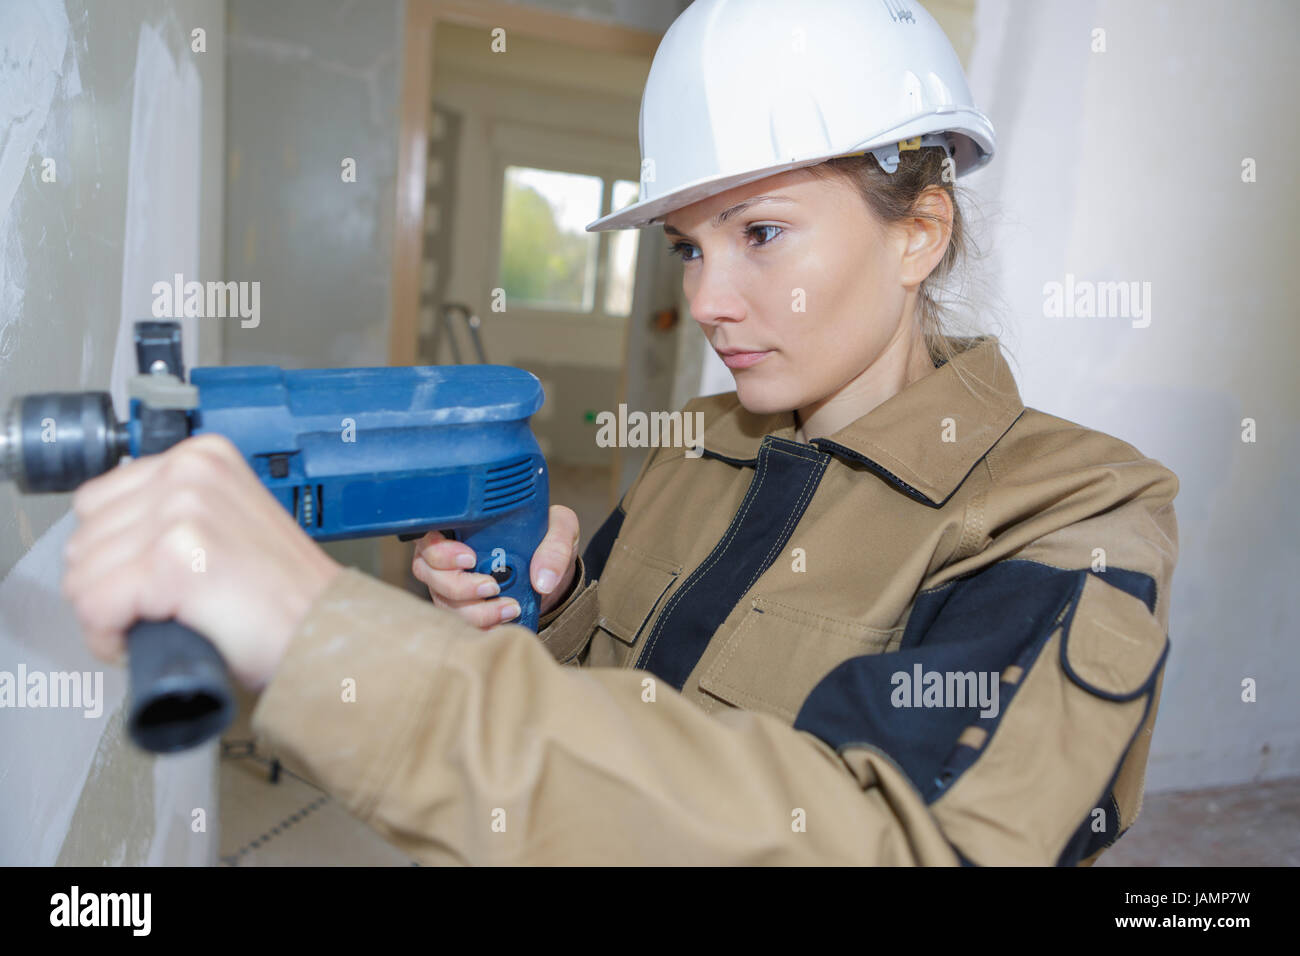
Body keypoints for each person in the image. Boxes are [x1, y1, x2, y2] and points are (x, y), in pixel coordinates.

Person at [63, 0, 1178, 865]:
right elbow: (619, 706)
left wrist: (318, 630)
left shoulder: (1075, 513)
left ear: (917, 235)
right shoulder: (699, 442)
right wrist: (539, 612)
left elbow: (891, 841)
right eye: (690, 245)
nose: (705, 300)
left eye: (761, 232)